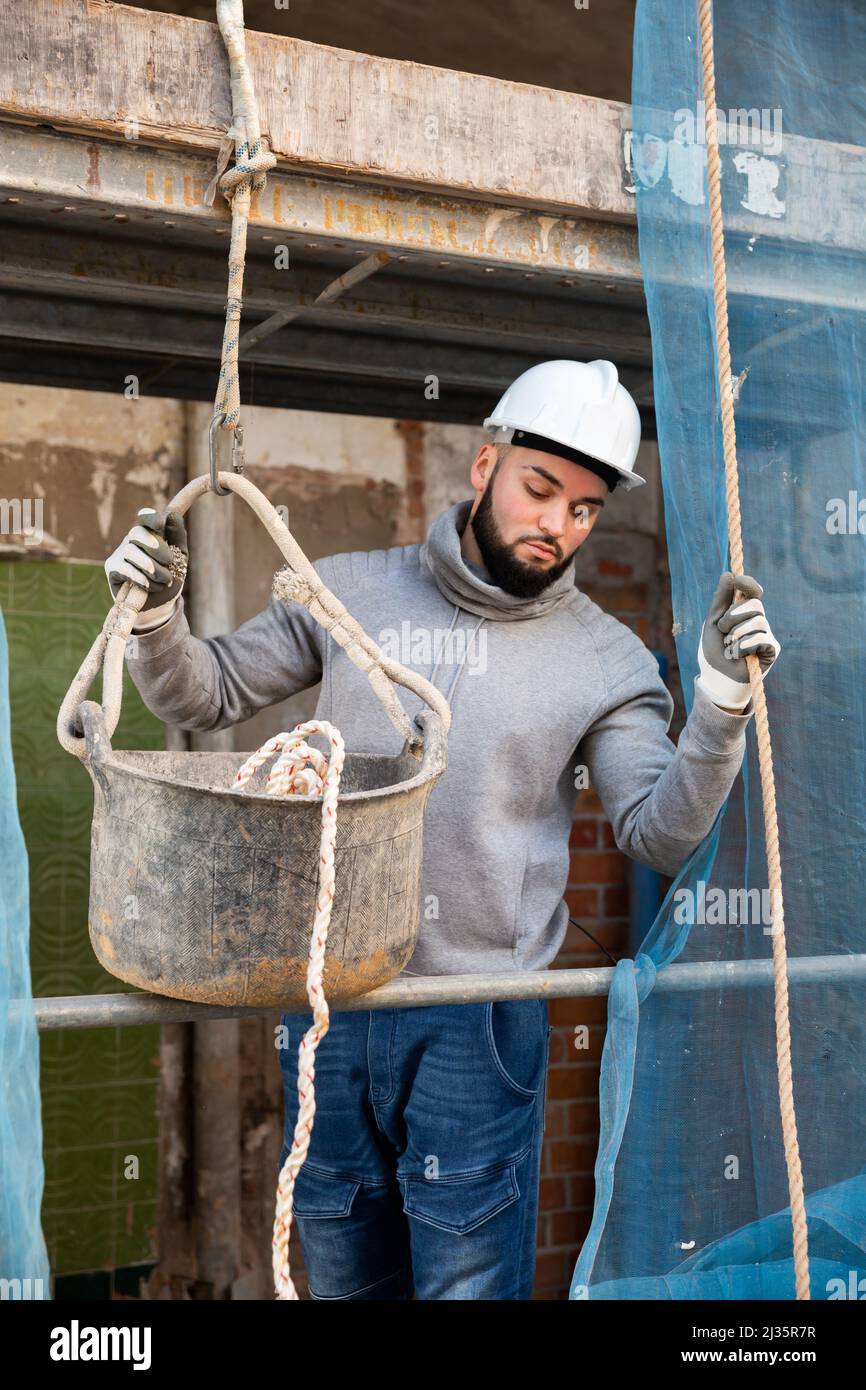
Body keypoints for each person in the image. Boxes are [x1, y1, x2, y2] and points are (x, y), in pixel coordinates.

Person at [106, 359, 780, 1300]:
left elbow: (656, 833)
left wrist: (718, 705)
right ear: (485, 465)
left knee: (464, 1287)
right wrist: (151, 615)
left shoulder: (606, 660)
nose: (558, 525)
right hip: (328, 1002)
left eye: (584, 509)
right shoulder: (341, 593)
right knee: (344, 1281)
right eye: (540, 489)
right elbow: (202, 692)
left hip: (479, 1023)